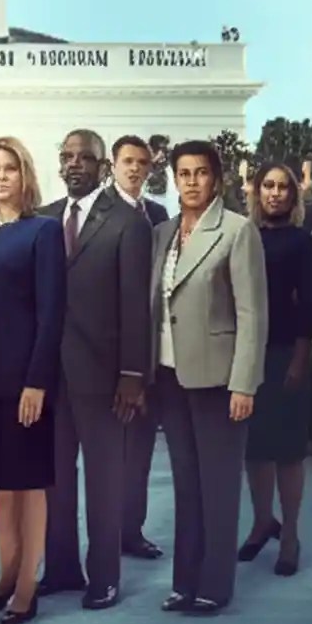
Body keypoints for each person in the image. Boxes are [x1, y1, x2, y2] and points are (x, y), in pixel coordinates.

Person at [149, 140, 268, 615]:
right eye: (184, 173)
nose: (192, 181)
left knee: (218, 487)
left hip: (219, 380)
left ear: (216, 179)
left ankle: (214, 587)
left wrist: (244, 383)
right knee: (186, 485)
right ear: (174, 179)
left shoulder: (237, 232)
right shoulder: (162, 233)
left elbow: (252, 313)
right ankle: (184, 583)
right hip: (170, 374)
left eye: (201, 173)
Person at [38, 130, 153, 610]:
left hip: (105, 376)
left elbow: (136, 306)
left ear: (103, 166)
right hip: (47, 375)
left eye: (85, 158)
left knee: (104, 481)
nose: (74, 165)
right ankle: (61, 568)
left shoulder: (128, 222)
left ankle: (104, 577)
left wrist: (132, 375)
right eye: (66, 157)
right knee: (54, 479)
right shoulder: (42, 219)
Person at [0, 136, 65, 624]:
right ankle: (4, 577)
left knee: (29, 484)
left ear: (25, 175)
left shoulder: (43, 232)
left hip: (25, 381)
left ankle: (27, 586)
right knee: (0, 484)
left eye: (8, 168)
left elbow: (51, 312)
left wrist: (37, 381)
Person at [239, 161, 312, 577]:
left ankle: (290, 536)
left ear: (293, 195)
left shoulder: (301, 241)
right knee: (254, 447)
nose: (274, 193)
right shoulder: (243, 234)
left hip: (286, 352)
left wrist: (301, 358)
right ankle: (261, 522)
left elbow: (307, 303)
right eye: (268, 185)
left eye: (283, 187)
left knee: (287, 449)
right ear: (256, 191)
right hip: (247, 354)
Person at [108, 134, 169, 563]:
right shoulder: (99, 213)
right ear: (113, 165)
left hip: (150, 351)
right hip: (107, 354)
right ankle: (107, 534)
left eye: (142, 163)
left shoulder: (159, 216)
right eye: (127, 161)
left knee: (140, 452)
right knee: (109, 455)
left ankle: (132, 530)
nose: (134, 168)